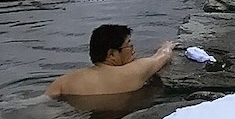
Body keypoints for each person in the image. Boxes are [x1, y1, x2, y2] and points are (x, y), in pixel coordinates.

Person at [45, 24, 176, 98]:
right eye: (129, 45)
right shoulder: (133, 71)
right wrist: (167, 46)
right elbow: (162, 56)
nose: (133, 50)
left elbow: (42, 102)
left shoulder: (66, 81)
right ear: (112, 54)